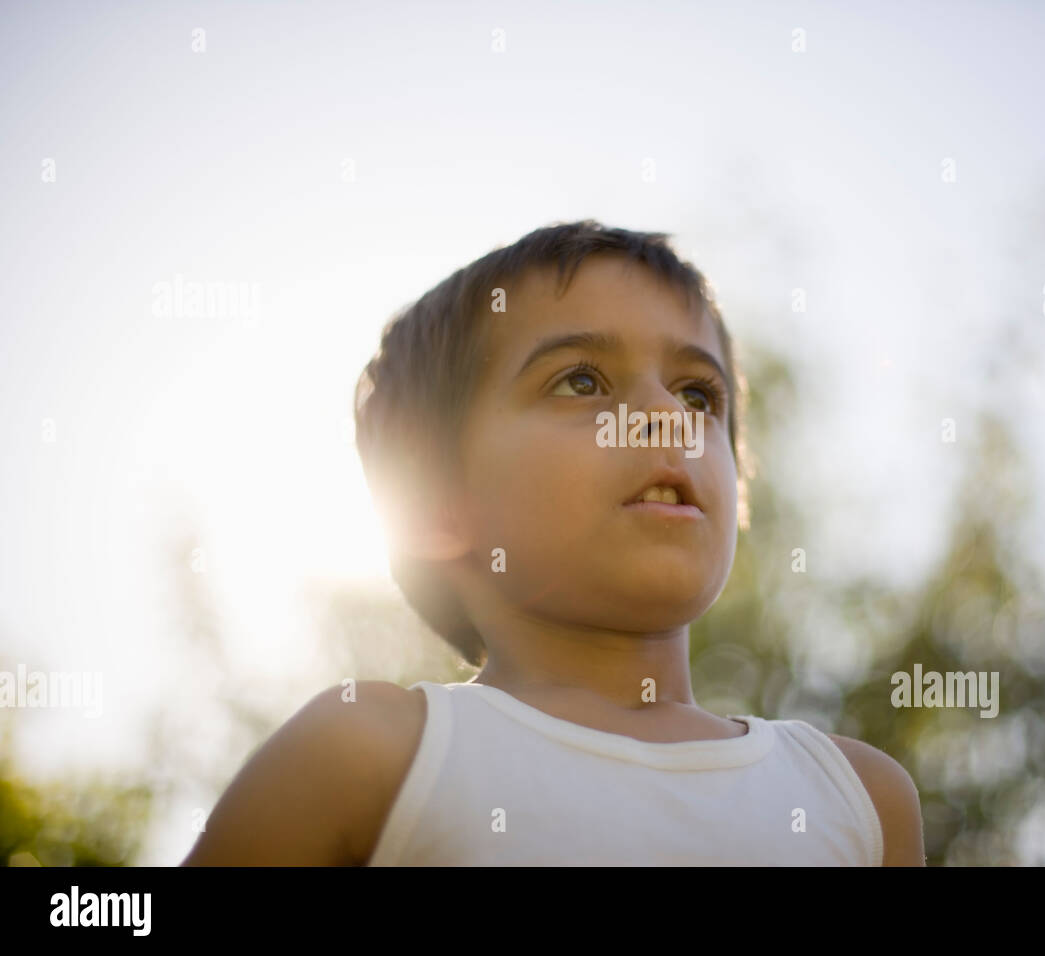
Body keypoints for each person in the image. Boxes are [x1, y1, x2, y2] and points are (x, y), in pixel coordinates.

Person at [181, 220, 924, 866]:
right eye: (581, 382)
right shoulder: (369, 754)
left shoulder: (859, 801)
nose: (664, 416)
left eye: (698, 393)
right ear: (434, 503)